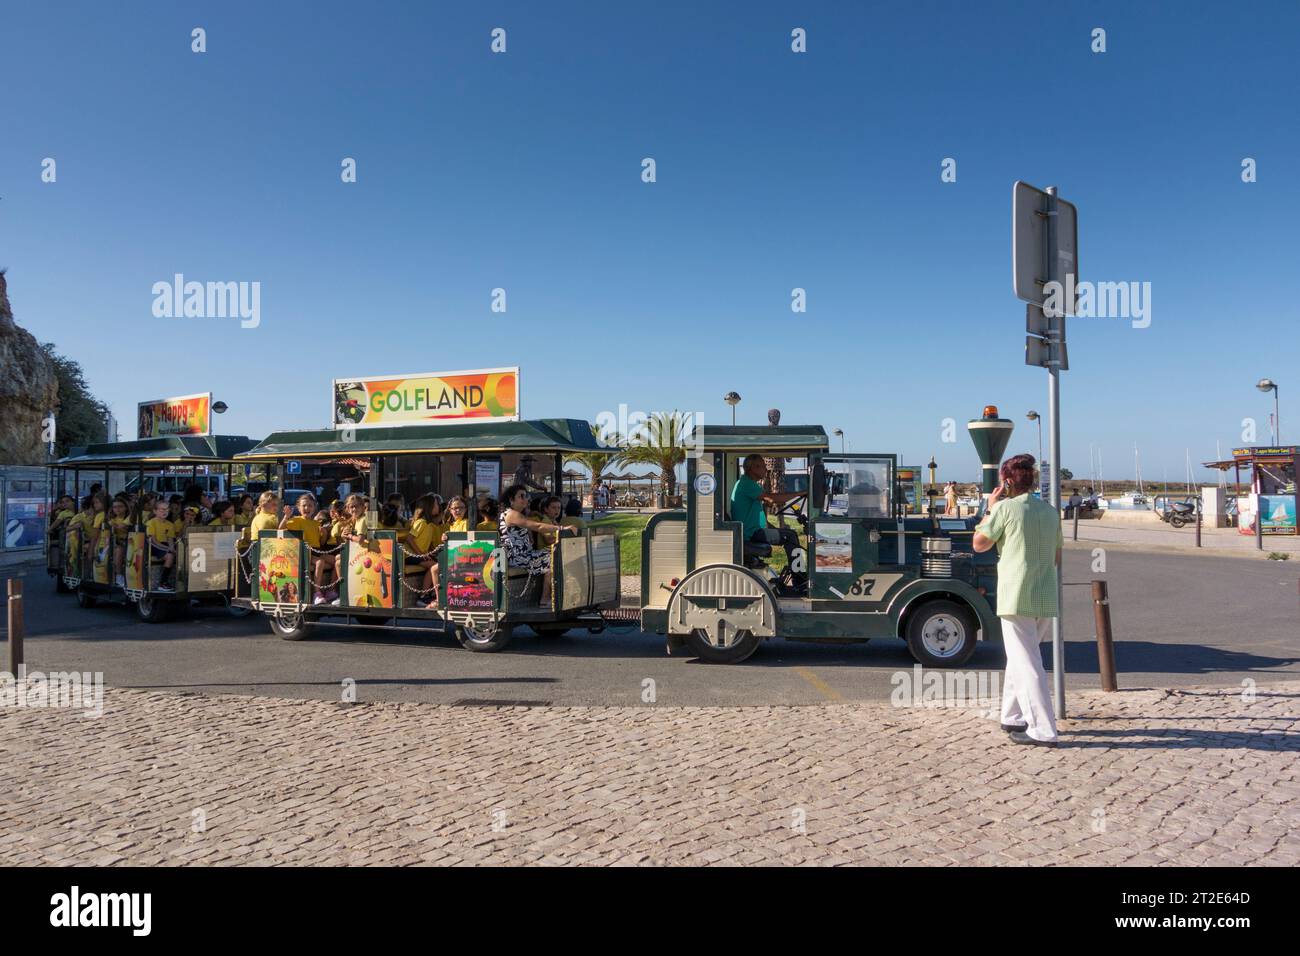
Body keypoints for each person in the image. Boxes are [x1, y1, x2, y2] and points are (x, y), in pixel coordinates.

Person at [972, 454, 1063, 747]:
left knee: (1027, 663)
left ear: (1007, 481)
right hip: (1045, 594)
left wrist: (990, 509)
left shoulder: (1004, 509)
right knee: (1021, 656)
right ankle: (1012, 715)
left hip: (1016, 594)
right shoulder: (1050, 512)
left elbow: (979, 544)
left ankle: (1043, 729)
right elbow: (1057, 557)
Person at [730, 454, 808, 594]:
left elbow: (760, 512)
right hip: (751, 534)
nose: (766, 470)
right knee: (790, 536)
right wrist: (800, 493)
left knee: (788, 534)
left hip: (753, 531)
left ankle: (799, 578)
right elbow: (771, 498)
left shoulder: (749, 484)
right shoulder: (747, 483)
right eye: (763, 466)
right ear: (752, 468)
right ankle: (800, 581)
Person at [498, 484, 575, 605]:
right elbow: (537, 526)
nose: (525, 499)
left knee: (555, 553)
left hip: (524, 554)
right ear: (511, 500)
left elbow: (527, 530)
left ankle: (547, 598)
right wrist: (562, 528)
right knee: (554, 557)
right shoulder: (511, 514)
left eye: (526, 496)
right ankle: (547, 598)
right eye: (521, 496)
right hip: (518, 557)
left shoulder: (517, 514)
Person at [145, 498, 178, 590]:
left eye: (167, 509)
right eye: (162, 509)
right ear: (155, 511)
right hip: (153, 545)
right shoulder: (151, 523)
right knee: (170, 556)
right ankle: (163, 583)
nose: (165, 511)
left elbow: (170, 539)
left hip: (164, 544)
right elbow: (153, 540)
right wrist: (168, 549)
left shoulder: (170, 524)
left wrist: (172, 548)